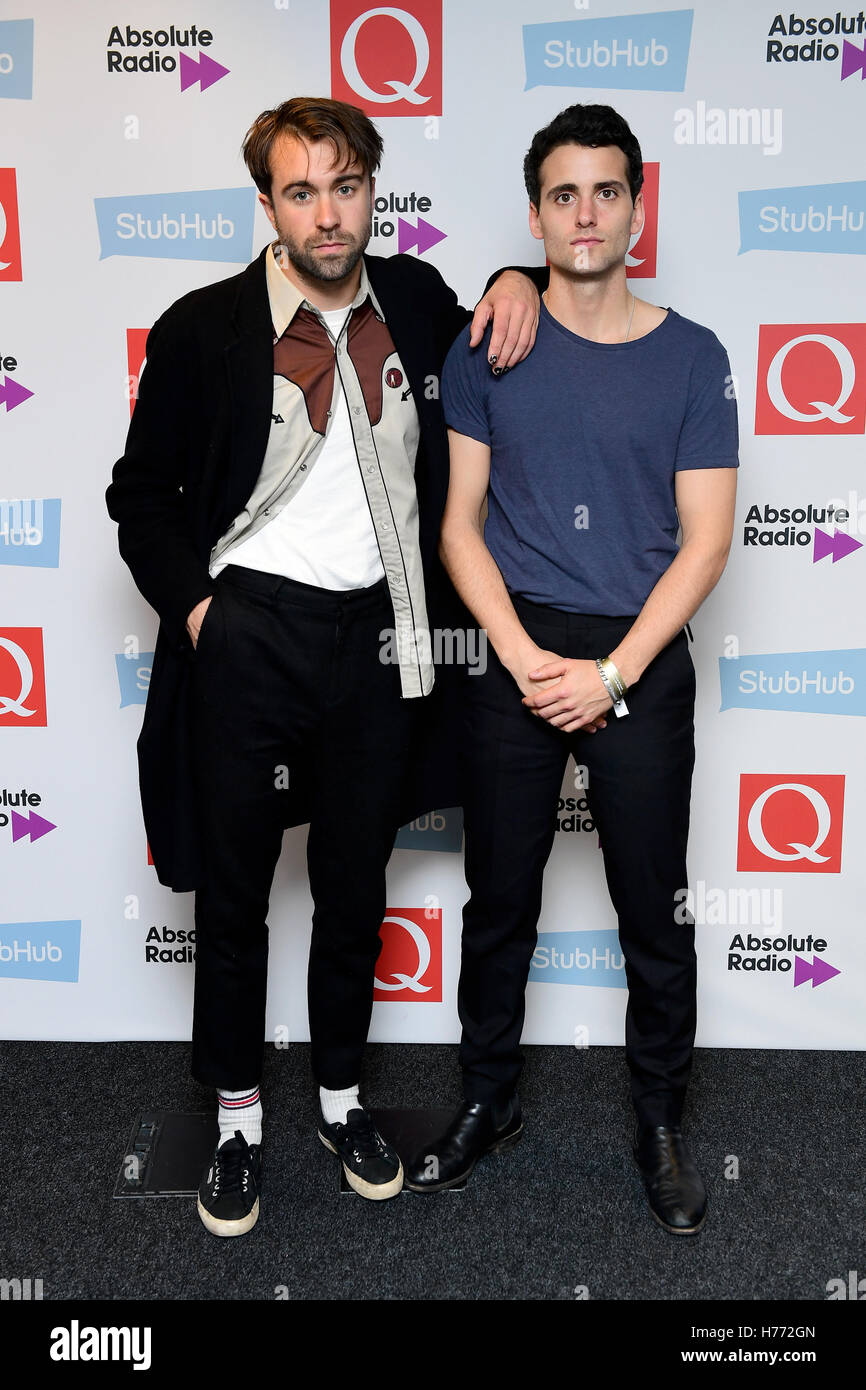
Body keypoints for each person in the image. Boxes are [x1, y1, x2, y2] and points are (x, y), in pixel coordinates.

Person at [105, 96, 539, 1235]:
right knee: (238, 893)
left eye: (344, 187)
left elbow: (495, 311)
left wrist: (516, 277)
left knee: (354, 884)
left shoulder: (415, 298)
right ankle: (238, 1120)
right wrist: (202, 615)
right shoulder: (202, 328)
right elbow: (139, 499)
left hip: (378, 635)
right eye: (300, 191)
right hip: (247, 632)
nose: (326, 212)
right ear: (267, 203)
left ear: (372, 190)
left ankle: (340, 1100)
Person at [405, 103, 739, 1236]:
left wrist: (609, 675)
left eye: (605, 191)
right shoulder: (488, 340)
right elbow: (456, 524)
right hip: (516, 645)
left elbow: (705, 540)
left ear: (636, 209)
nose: (584, 213)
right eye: (561, 194)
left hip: (635, 650)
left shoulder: (693, 355)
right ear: (536, 211)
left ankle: (657, 1122)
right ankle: (486, 1102)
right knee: (498, 900)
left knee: (654, 907)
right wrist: (529, 659)